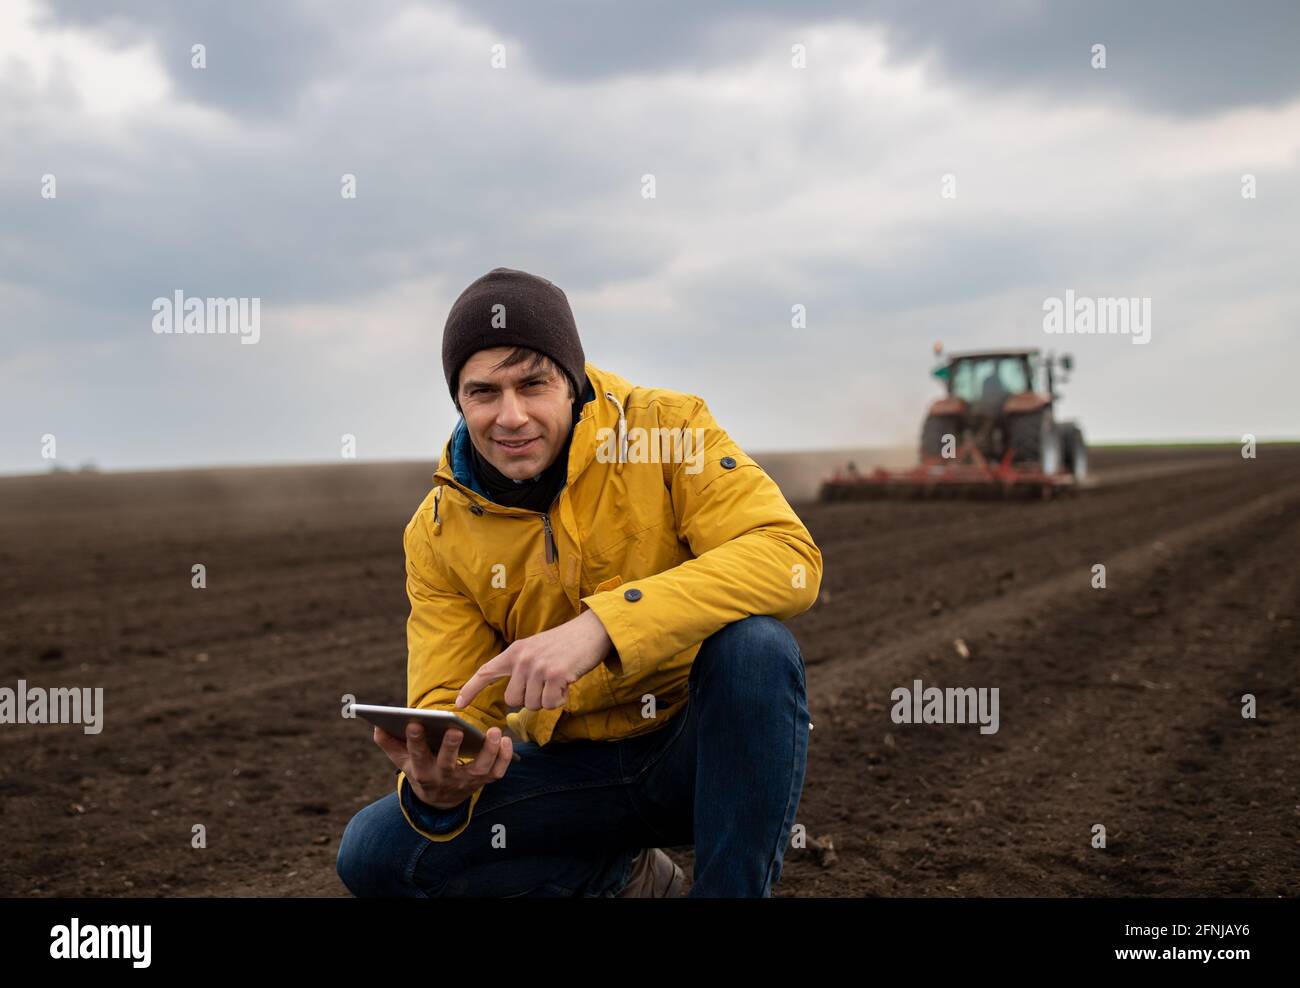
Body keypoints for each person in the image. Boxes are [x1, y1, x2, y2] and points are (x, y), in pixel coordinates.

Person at [336, 267, 822, 897]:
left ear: (573, 382)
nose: (511, 417)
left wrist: (602, 627)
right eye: (484, 392)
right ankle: (621, 875)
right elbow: (457, 700)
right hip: (572, 771)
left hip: (695, 751)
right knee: (375, 852)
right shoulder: (435, 532)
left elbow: (786, 557)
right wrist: (441, 779)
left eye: (533, 384)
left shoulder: (667, 431)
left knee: (757, 649)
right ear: (459, 400)